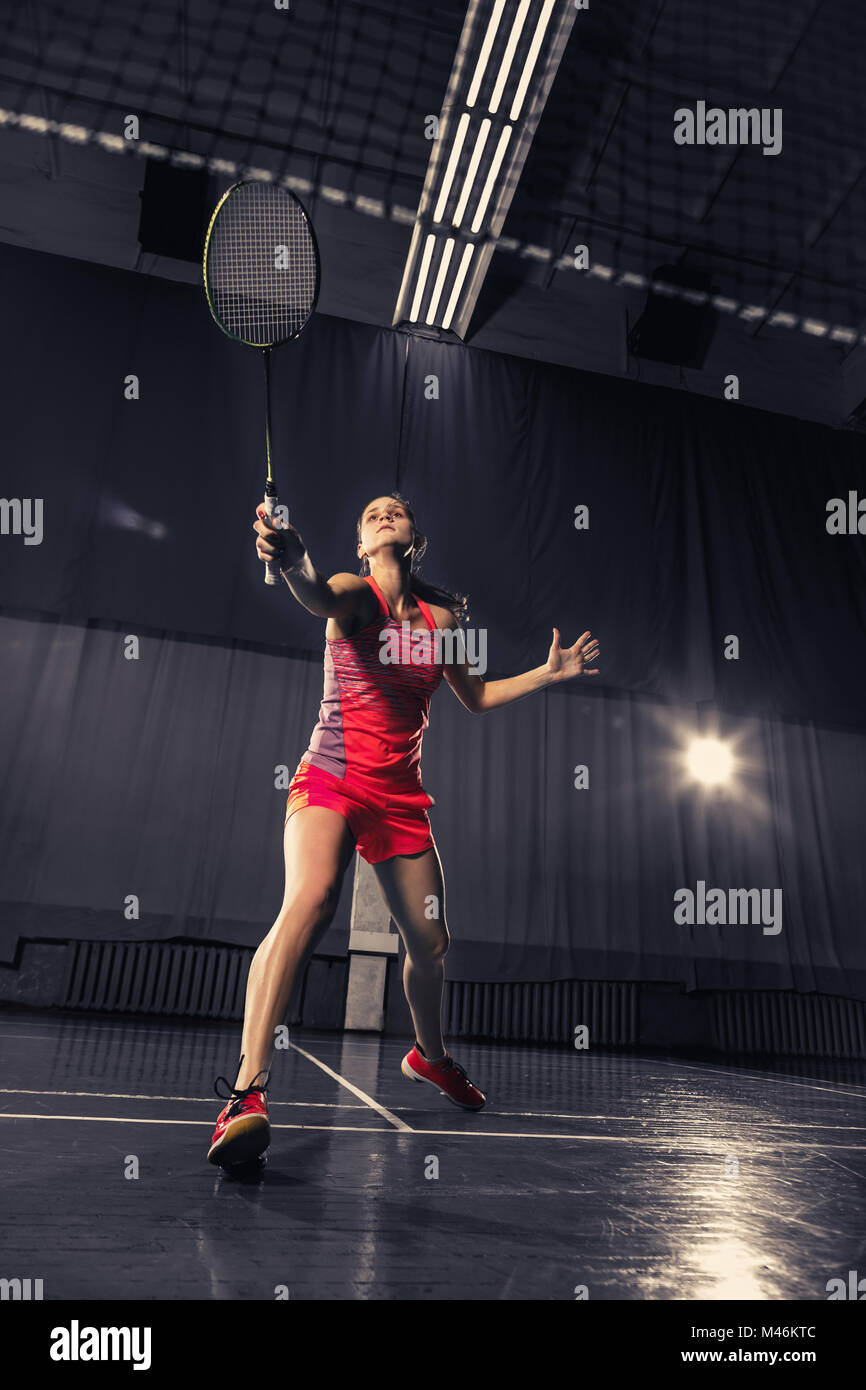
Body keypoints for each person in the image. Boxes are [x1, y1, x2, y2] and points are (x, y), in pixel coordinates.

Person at [207, 492, 600, 1168]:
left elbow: (473, 698)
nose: (384, 515)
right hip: (331, 777)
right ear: (361, 545)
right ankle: (245, 1094)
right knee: (310, 901)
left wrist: (548, 671)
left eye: (396, 511)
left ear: (415, 535)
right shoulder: (354, 594)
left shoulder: (442, 620)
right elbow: (312, 592)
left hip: (399, 798)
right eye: (369, 514)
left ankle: (429, 1055)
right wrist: (294, 557)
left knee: (431, 942)